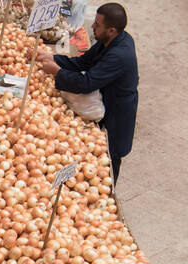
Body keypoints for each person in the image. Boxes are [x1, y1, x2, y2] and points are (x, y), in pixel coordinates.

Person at [37, 3, 138, 183]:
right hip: (106, 99)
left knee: (110, 155)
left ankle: (109, 188)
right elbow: (83, 62)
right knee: (98, 148)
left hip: (117, 111)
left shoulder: (119, 55)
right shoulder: (108, 41)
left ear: (112, 30)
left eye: (97, 24)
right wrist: (52, 57)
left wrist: (57, 72)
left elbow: (86, 83)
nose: (92, 26)